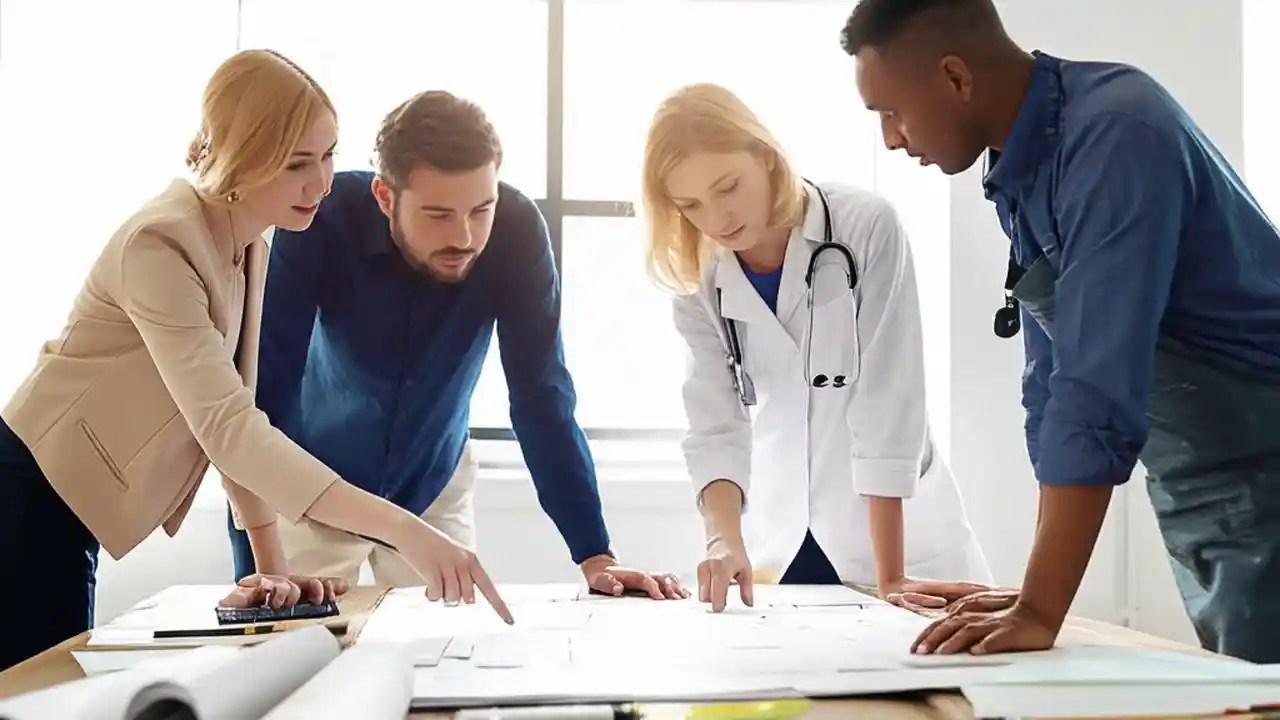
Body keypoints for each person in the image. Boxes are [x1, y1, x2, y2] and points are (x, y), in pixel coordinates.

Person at [0, 50, 514, 671]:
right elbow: (230, 429)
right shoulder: (159, 245)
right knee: (36, 692)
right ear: (244, 156)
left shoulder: (247, 247)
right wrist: (403, 528)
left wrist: (277, 573)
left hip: (68, 504)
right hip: (30, 488)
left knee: (51, 688)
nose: (322, 183)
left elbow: (238, 414)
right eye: (298, 163)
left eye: (327, 156)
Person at [843, 0, 1280, 662]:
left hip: (1264, 464)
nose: (891, 140)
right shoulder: (1021, 164)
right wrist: (1033, 596)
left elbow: (1095, 388)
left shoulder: (1115, 134)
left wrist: (1041, 610)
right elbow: (1050, 389)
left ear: (956, 78)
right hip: (1204, 484)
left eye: (891, 112)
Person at [225, 90, 687, 601]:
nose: (464, 237)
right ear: (385, 197)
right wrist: (257, 570)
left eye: (481, 210)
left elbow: (541, 396)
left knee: (452, 641)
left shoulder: (517, 232)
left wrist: (596, 555)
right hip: (311, 484)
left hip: (433, 483)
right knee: (289, 637)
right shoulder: (321, 220)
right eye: (438, 215)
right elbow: (262, 392)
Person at [641, 82, 992, 613]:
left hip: (891, 537)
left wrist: (892, 576)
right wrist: (723, 540)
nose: (717, 219)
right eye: (690, 205)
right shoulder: (698, 274)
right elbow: (715, 424)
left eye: (728, 187)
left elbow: (888, 403)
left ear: (765, 156)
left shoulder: (864, 226)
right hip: (782, 545)